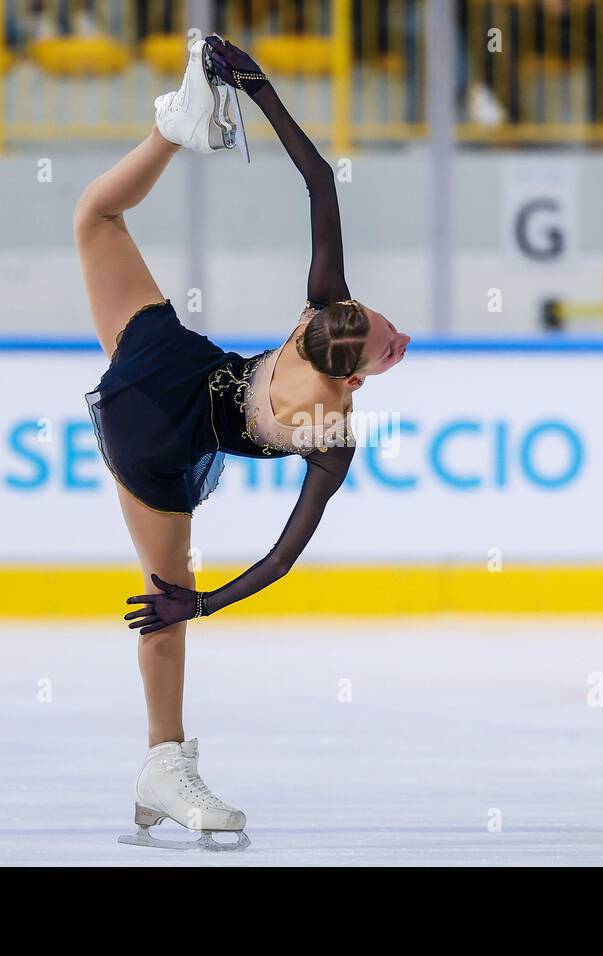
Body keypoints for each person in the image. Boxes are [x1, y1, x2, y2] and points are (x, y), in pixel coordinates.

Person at [73, 35, 410, 850]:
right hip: (160, 437)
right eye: (391, 344)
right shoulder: (330, 433)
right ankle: (162, 761)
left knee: (95, 217)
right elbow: (282, 557)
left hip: (163, 363)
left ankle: (175, 128)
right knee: (167, 604)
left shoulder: (322, 307)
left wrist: (257, 87)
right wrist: (207, 602)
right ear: (356, 373)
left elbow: (320, 181)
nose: (400, 338)